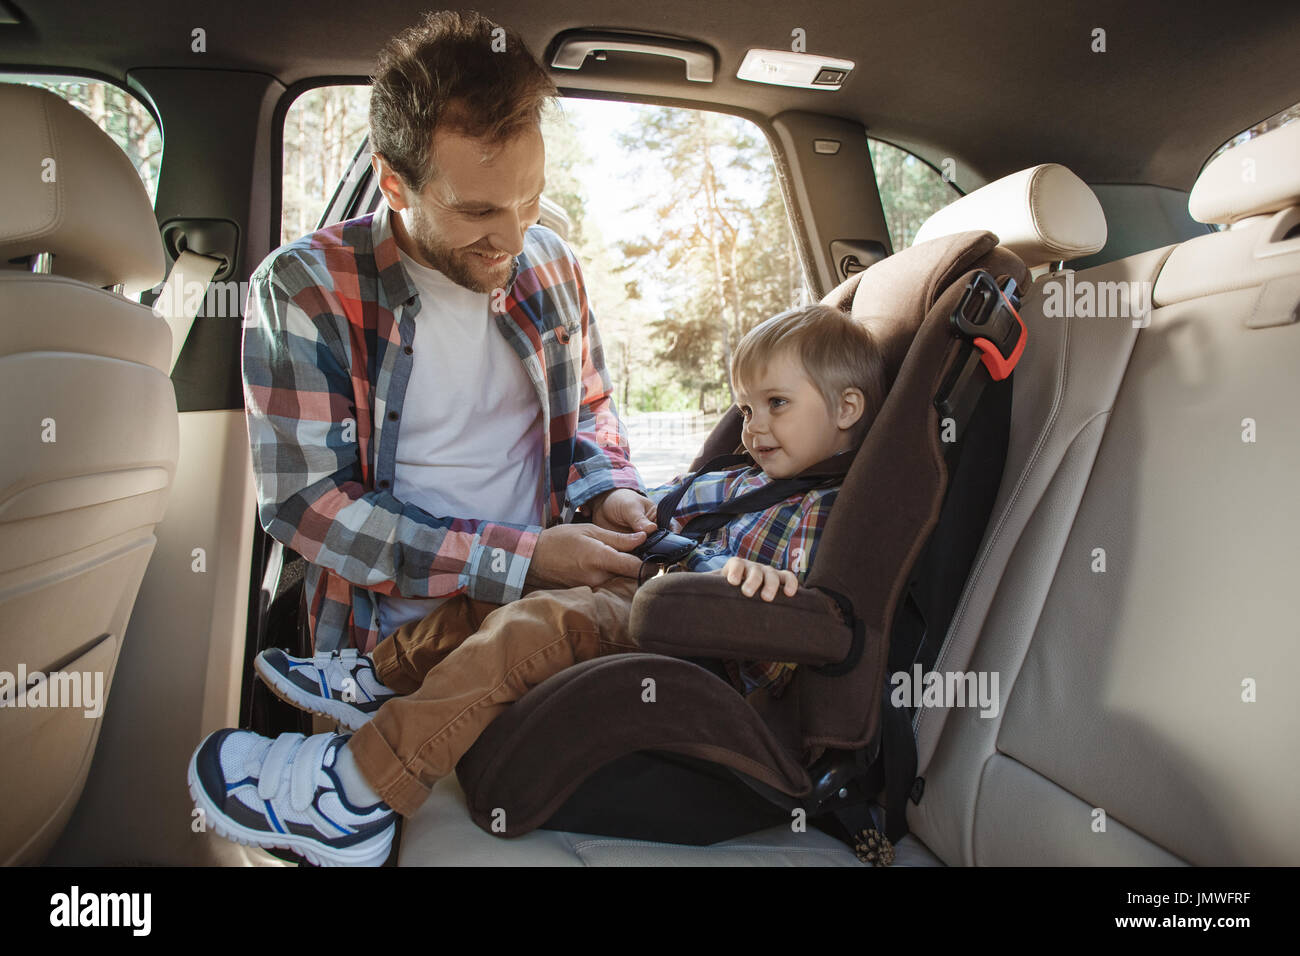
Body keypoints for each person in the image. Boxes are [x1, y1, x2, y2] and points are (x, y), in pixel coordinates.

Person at [190, 304, 888, 866]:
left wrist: (762, 587)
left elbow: (786, 643)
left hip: (694, 641)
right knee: (503, 587)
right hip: (646, 585)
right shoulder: (741, 479)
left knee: (534, 628)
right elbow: (666, 505)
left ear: (848, 409)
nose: (754, 426)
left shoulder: (823, 512)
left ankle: (360, 793)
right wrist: (636, 508)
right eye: (746, 407)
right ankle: (377, 679)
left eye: (775, 404)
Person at [241, 10, 661, 667]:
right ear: (393, 182)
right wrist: (518, 560)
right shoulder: (304, 287)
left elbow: (591, 412)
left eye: (529, 201)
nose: (515, 240)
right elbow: (310, 505)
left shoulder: (552, 263)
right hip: (379, 647)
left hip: (543, 618)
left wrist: (610, 489)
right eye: (478, 211)